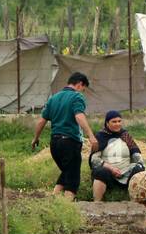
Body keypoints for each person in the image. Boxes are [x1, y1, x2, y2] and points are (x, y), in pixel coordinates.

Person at [31, 72, 98, 201]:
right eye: (83, 89)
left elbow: (41, 121)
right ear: (79, 84)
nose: (82, 92)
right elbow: (79, 116)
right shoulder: (76, 97)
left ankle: (53, 199)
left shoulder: (53, 98)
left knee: (67, 172)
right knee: (73, 178)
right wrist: (91, 135)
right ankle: (68, 206)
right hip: (69, 142)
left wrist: (35, 138)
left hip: (54, 143)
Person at [89, 109, 145, 201]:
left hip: (126, 171)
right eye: (114, 122)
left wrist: (141, 164)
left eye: (119, 121)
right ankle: (97, 203)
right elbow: (94, 159)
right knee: (99, 172)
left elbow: (135, 153)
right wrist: (111, 168)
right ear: (107, 123)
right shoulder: (100, 136)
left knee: (139, 169)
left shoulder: (125, 135)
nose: (117, 124)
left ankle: (135, 201)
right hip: (108, 172)